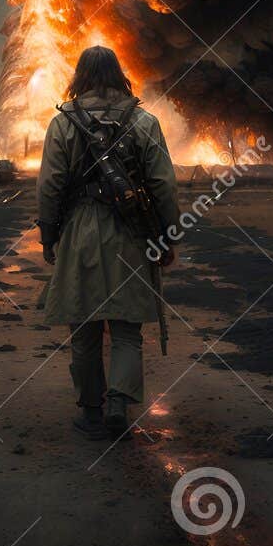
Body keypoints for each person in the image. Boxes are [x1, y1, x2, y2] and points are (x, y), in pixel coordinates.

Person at [36, 45, 181, 439]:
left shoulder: (63, 123)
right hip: (131, 234)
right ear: (120, 75)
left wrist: (48, 236)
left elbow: (50, 186)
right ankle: (119, 402)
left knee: (84, 328)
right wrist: (168, 235)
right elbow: (163, 185)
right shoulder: (144, 121)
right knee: (126, 328)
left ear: (80, 76)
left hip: (79, 231)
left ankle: (91, 411)